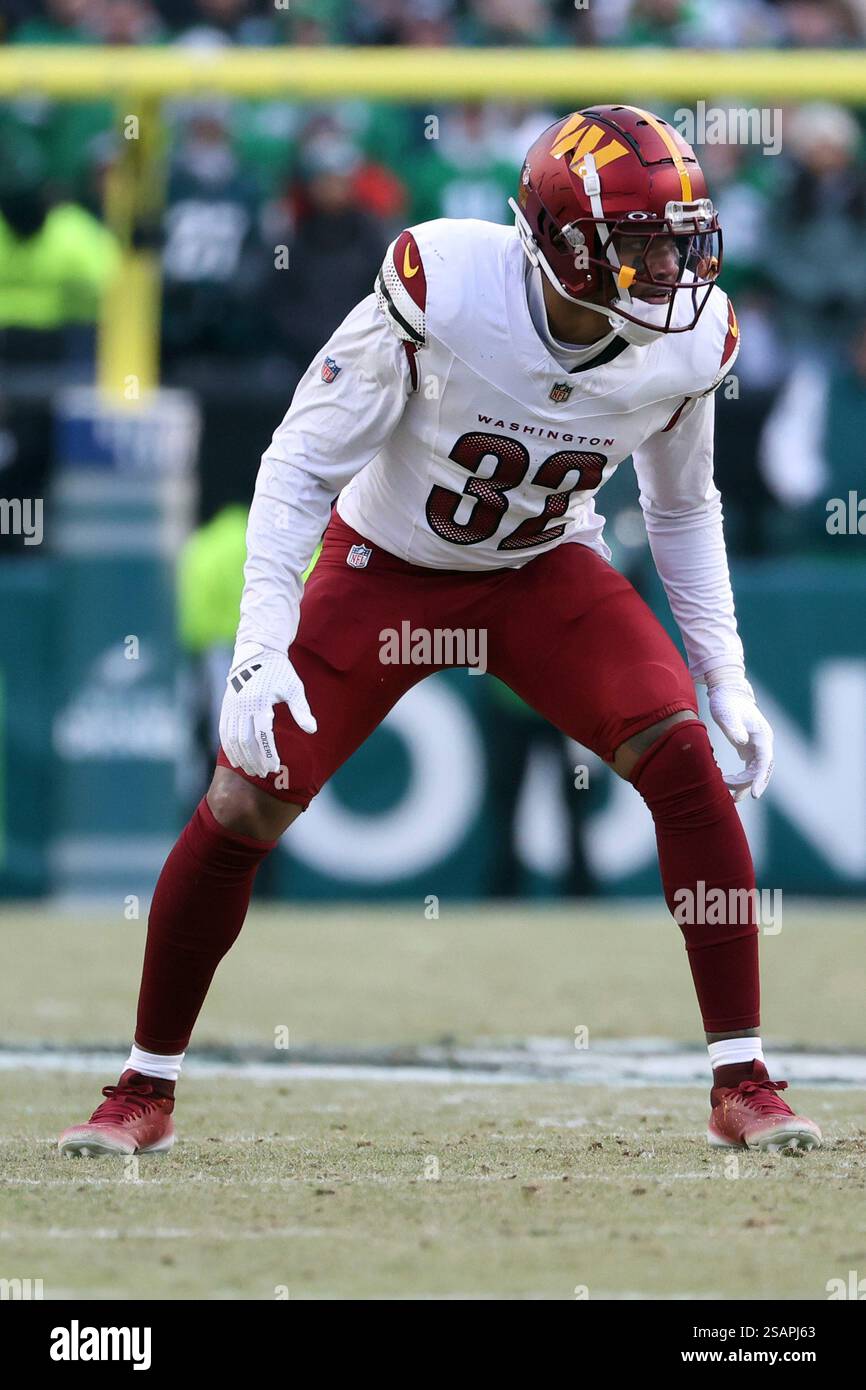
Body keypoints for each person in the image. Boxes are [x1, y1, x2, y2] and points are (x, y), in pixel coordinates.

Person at [59, 105, 821, 1158]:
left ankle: (742, 1079)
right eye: (640, 244)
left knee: (681, 754)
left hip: (542, 568)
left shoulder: (690, 338)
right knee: (243, 793)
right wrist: (258, 644)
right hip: (385, 570)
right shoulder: (444, 286)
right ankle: (142, 1088)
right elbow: (297, 465)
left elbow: (684, 507)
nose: (669, 269)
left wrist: (721, 670)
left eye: (679, 241)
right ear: (561, 242)